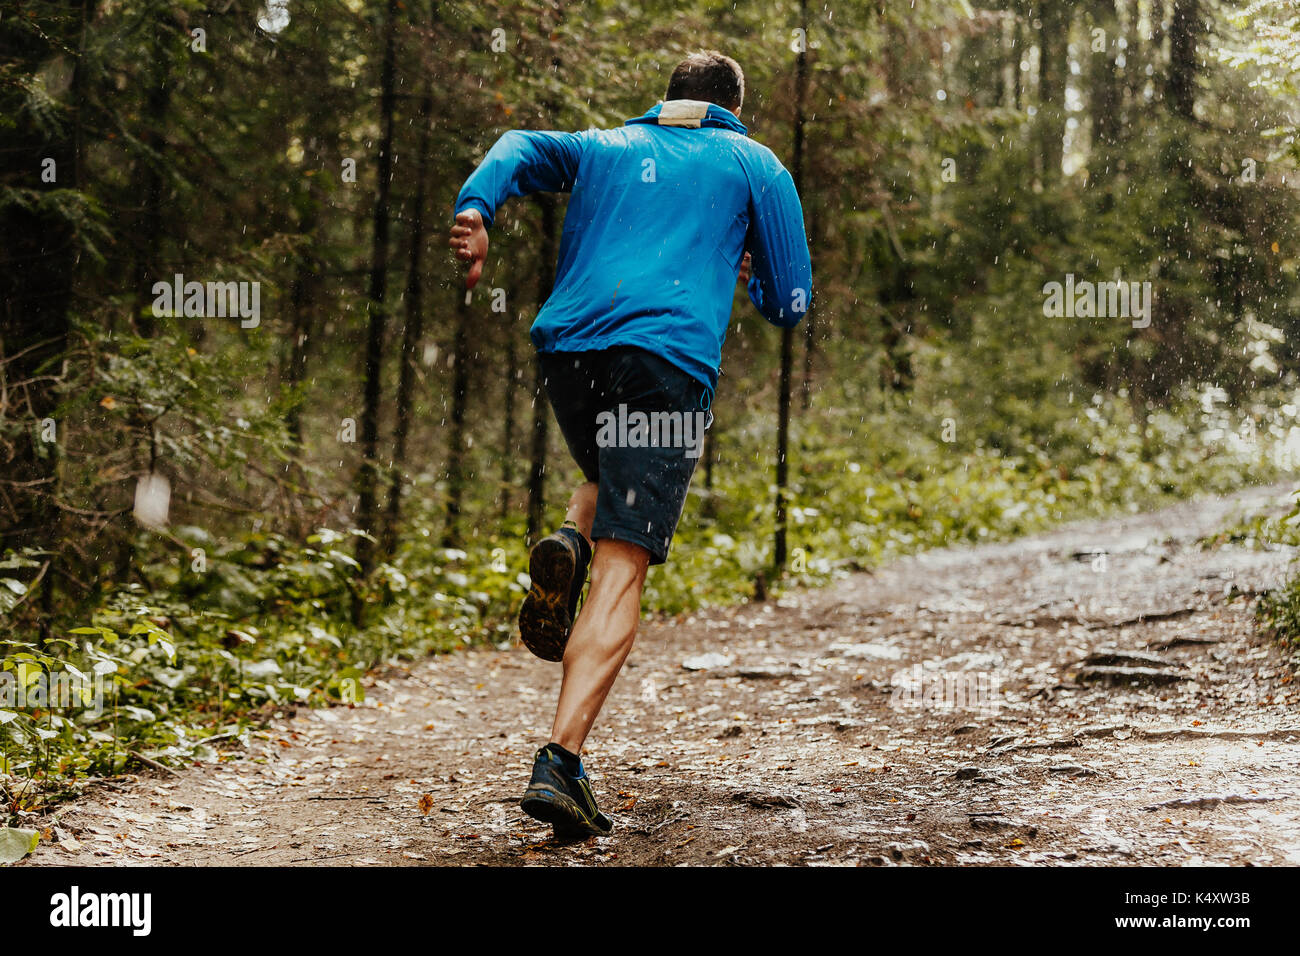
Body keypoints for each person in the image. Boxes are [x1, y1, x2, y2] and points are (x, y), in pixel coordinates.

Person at [449, 50, 812, 840]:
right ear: (731, 107)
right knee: (628, 562)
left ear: (668, 101)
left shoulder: (603, 146)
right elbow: (789, 302)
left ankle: (568, 539)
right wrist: (746, 272)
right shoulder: (755, 162)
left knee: (605, 486)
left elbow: (515, 142)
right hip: (664, 364)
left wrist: (477, 208)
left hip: (568, 352)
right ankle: (561, 763)